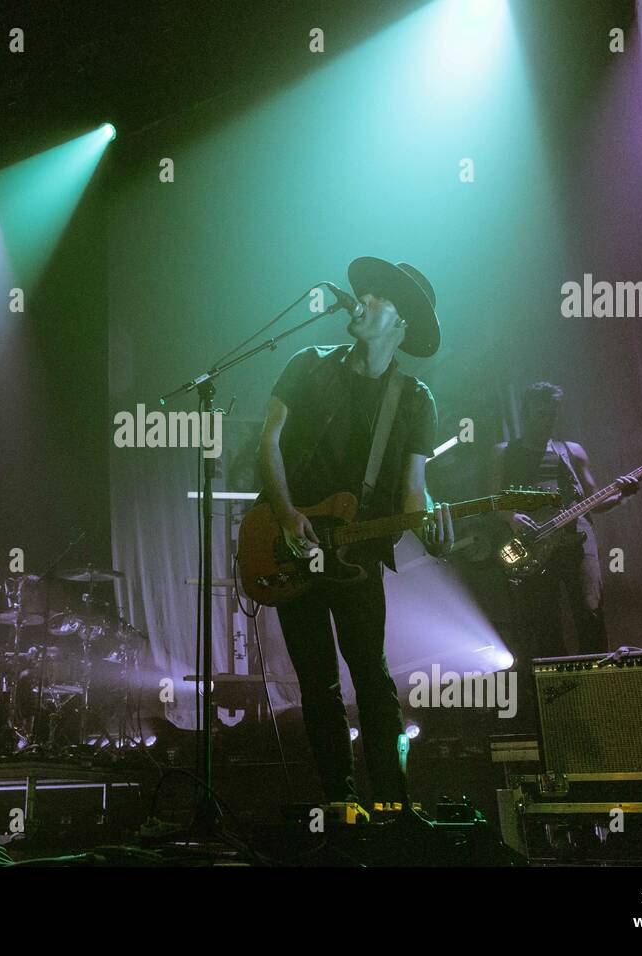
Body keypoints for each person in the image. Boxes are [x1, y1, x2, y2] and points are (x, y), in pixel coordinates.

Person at [257, 257, 452, 810]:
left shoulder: (413, 399)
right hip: (293, 544)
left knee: (371, 675)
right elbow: (268, 441)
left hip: (359, 553)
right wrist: (287, 511)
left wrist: (432, 521)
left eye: (376, 297)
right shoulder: (307, 364)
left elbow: (417, 487)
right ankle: (339, 803)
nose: (359, 299)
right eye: (361, 292)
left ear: (401, 323)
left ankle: (392, 805)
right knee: (316, 680)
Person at [490, 381, 638, 660]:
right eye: (540, 414)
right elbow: (495, 501)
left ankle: (599, 680)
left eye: (552, 414)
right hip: (533, 543)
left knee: (590, 610)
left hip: (577, 539)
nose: (547, 420)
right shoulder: (504, 452)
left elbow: (595, 500)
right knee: (544, 622)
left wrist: (621, 495)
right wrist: (512, 517)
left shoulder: (571, 450)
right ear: (526, 414)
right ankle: (558, 689)